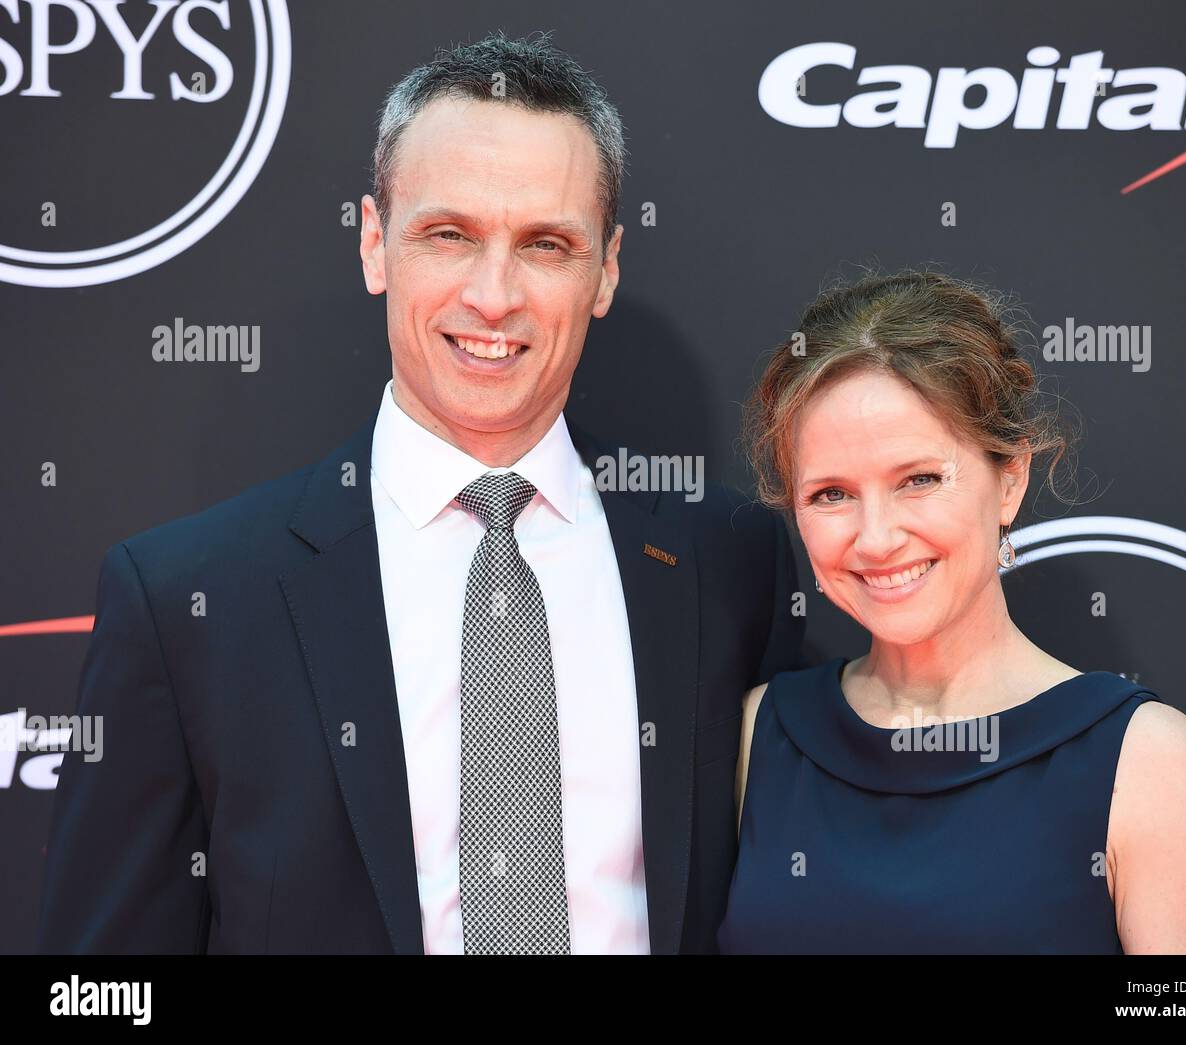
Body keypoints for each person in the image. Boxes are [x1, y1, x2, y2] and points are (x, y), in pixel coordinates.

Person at [37, 31, 803, 956]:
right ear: (374, 243)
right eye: (449, 235)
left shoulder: (729, 560)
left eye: (546, 244)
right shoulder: (187, 599)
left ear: (605, 270)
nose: (493, 295)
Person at [718, 270, 1186, 954]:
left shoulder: (1143, 759)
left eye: (920, 480)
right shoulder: (760, 734)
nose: (875, 537)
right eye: (830, 495)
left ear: (1010, 479)